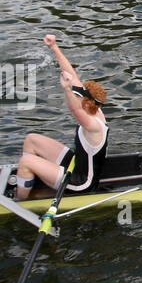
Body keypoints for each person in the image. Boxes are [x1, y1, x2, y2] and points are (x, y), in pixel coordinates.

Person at [15, 34, 108, 199]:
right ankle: (31, 179)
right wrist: (54, 47)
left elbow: (75, 111)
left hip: (81, 182)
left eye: (79, 97)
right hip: (76, 162)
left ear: (87, 104)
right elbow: (71, 74)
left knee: (25, 162)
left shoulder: (93, 124)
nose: (76, 95)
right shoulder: (92, 105)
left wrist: (66, 89)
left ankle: (20, 200)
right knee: (31, 140)